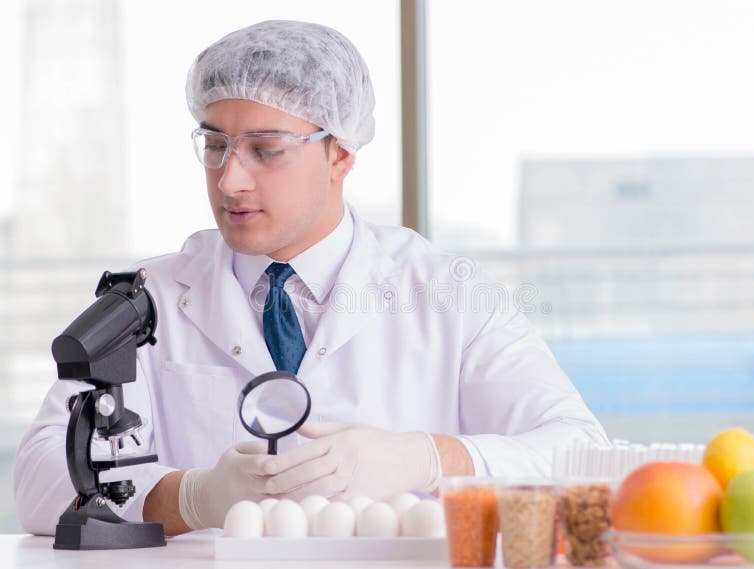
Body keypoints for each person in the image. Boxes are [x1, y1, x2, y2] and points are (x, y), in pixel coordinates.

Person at [14, 19, 609, 536]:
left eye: (265, 150)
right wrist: (190, 497)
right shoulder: (152, 297)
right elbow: (40, 475)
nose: (230, 182)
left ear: (340, 154)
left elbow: (580, 452)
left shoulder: (451, 293)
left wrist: (428, 458)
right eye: (216, 145)